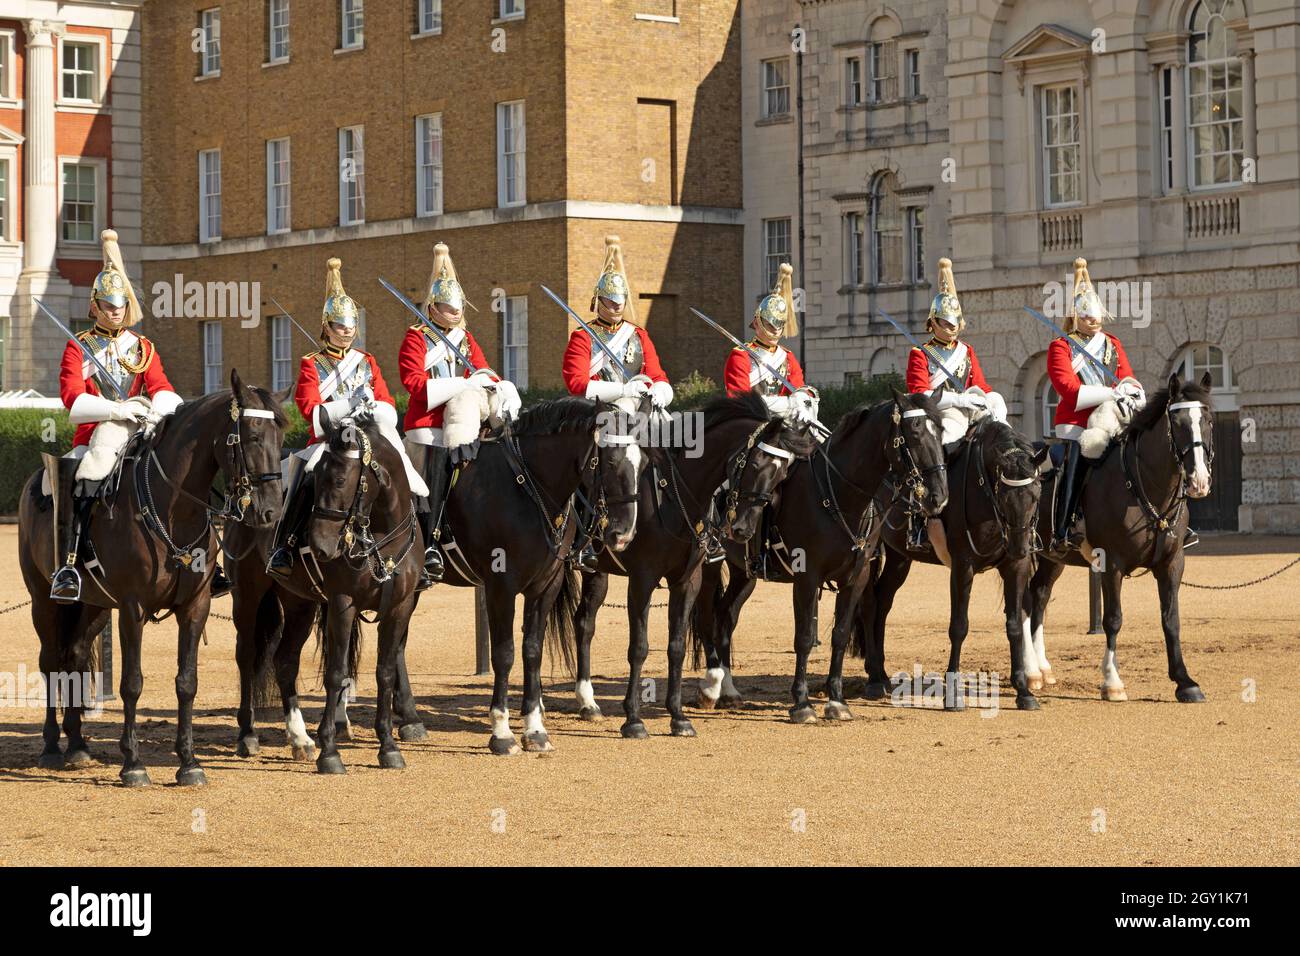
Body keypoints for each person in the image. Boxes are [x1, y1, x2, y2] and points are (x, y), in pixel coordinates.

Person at [268, 257, 431, 582]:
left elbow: (385, 401)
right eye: (340, 326)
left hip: (367, 436)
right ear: (326, 326)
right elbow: (310, 410)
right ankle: (284, 545)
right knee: (306, 471)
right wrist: (347, 407)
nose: (347, 332)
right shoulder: (312, 364)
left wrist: (369, 407)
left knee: (403, 476)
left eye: (351, 325)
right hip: (329, 439)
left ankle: (421, 550)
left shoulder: (366, 361)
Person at [51, 229, 185, 602]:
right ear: (94, 306)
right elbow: (73, 401)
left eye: (121, 304)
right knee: (89, 471)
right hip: (97, 433)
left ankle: (198, 559)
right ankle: (69, 564)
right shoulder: (79, 346)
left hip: (140, 429)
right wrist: (115, 408)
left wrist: (152, 410)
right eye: (108, 305)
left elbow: (161, 387)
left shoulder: (142, 347)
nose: (116, 310)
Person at [397, 242, 520, 583]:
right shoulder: (416, 339)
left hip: (467, 423)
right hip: (428, 425)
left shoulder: (466, 339)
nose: (453, 313)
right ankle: (431, 543)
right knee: (436, 469)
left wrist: (494, 384)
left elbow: (483, 370)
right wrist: (461, 385)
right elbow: (416, 385)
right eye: (446, 307)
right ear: (432, 308)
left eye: (457, 308)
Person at [561, 236, 671, 569]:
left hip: (639, 413)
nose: (616, 306)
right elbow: (577, 382)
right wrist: (624, 388)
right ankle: (583, 539)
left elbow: (659, 374)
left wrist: (658, 392)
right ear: (597, 302)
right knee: (592, 459)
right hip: (599, 413)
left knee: (677, 444)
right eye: (609, 301)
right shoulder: (583, 336)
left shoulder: (639, 336)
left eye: (620, 300)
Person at [1046, 256, 1149, 555]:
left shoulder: (1112, 343)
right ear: (1076, 315)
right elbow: (1069, 390)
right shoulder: (1061, 347)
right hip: (1077, 422)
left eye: (1097, 314)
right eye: (1088, 315)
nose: (1094, 320)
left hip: (1114, 419)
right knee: (1078, 456)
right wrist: (1109, 393)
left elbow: (1125, 375)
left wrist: (1132, 389)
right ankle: (1064, 527)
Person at [905, 257, 1008, 447]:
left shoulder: (966, 350)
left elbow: (980, 385)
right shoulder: (920, 354)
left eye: (955, 323)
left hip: (970, 406)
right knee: (951, 432)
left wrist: (983, 400)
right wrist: (959, 399)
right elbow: (919, 394)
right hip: (944, 411)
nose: (952, 328)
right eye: (946, 323)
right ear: (934, 322)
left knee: (997, 403)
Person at [723, 262, 819, 425]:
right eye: (770, 325)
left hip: (784, 422)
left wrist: (803, 399)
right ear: (757, 322)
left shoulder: (787, 357)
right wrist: (789, 404)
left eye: (780, 325)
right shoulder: (741, 356)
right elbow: (740, 401)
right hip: (752, 423)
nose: (775, 330)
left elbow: (797, 386)